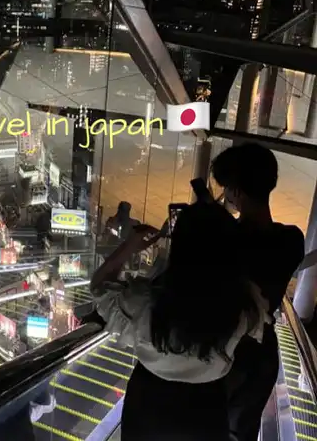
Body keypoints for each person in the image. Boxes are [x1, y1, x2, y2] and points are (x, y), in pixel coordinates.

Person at [90, 202, 270, 441]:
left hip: (147, 406)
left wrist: (130, 246)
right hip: (208, 410)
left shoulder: (145, 301)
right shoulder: (243, 306)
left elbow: (100, 287)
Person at [211, 143, 305, 441]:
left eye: (226, 187)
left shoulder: (224, 239)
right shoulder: (292, 239)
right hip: (261, 353)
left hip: (224, 352)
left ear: (236, 192)